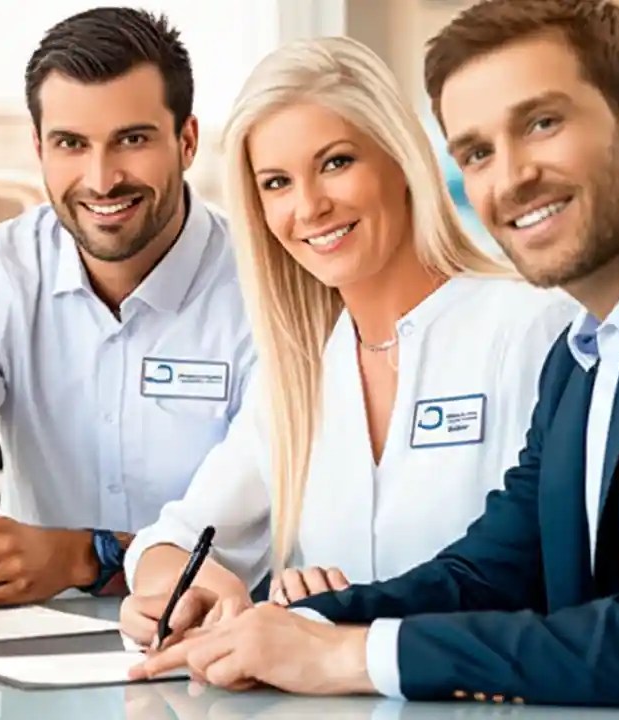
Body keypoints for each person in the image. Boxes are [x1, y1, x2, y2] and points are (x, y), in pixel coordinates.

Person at [132, 2, 619, 717]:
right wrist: (294, 625)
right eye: (477, 152)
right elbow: (493, 572)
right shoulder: (585, 355)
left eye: (542, 123)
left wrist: (346, 656)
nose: (510, 178)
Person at [118, 35, 574, 646]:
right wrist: (181, 591)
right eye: (276, 183)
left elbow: (549, 572)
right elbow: (175, 538)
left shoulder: (531, 326)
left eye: (336, 162)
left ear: (399, 158)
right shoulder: (300, 372)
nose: (309, 206)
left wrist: (339, 616)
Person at [0, 7, 255, 640]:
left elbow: (259, 522)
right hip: (32, 651)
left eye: (132, 139)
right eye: (72, 144)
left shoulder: (264, 292)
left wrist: (84, 556)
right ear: (38, 147)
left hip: (222, 650)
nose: (101, 178)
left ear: (188, 141)